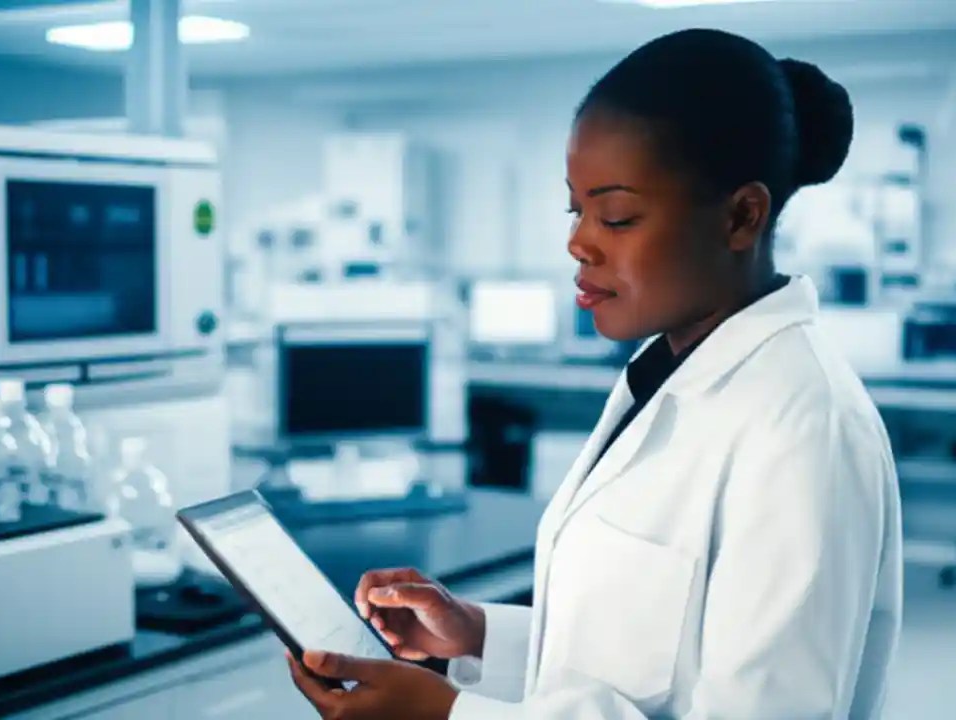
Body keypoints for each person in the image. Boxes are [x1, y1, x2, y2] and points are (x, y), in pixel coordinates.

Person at [288, 27, 903, 719]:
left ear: (741, 217)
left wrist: (449, 715)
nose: (577, 241)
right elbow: (637, 653)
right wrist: (478, 634)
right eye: (576, 209)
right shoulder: (666, 371)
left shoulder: (801, 427)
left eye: (616, 216)